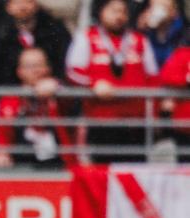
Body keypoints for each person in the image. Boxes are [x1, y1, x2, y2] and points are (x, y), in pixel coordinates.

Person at [66, 0, 159, 163]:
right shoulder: (87, 37)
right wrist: (93, 83)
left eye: (122, 11)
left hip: (135, 123)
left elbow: (153, 77)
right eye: (113, 11)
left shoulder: (139, 40)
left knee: (134, 173)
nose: (119, 16)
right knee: (103, 173)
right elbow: (72, 72)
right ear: (101, 12)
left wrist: (154, 114)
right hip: (101, 122)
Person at [0, 47, 78, 169]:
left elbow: (70, 99)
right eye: (29, 66)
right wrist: (2, 153)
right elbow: (2, 132)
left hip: (58, 163)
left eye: (39, 65)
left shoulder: (58, 92)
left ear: (48, 68)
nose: (35, 70)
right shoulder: (10, 99)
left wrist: (57, 86)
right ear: (19, 71)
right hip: (21, 164)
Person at [0, 0, 71, 85]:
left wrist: (56, 82)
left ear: (36, 4)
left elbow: (66, 62)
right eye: (16, 2)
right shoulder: (1, 35)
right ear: (8, 7)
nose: (23, 7)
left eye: (28, 1)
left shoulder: (55, 31)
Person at [137, 0, 186, 66]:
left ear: (174, 12)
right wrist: (139, 31)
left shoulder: (183, 33)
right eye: (153, 6)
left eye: (163, 7)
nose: (156, 11)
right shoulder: (144, 33)